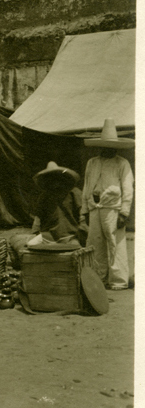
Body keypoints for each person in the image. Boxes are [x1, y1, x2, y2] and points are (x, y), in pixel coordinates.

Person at [80, 119, 134, 290]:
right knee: (95, 243)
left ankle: (118, 280)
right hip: (94, 208)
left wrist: (124, 213)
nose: (108, 149)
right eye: (105, 146)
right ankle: (99, 278)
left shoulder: (122, 163)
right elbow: (87, 186)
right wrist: (85, 210)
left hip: (113, 209)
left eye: (111, 147)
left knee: (115, 243)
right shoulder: (92, 162)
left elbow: (128, 188)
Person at [8, 161, 86, 269]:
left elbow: (82, 216)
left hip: (69, 236)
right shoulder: (45, 195)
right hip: (49, 237)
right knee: (28, 245)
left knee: (29, 247)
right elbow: (38, 219)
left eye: (57, 177)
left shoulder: (73, 192)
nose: (55, 181)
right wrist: (36, 234)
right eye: (52, 178)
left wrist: (82, 234)